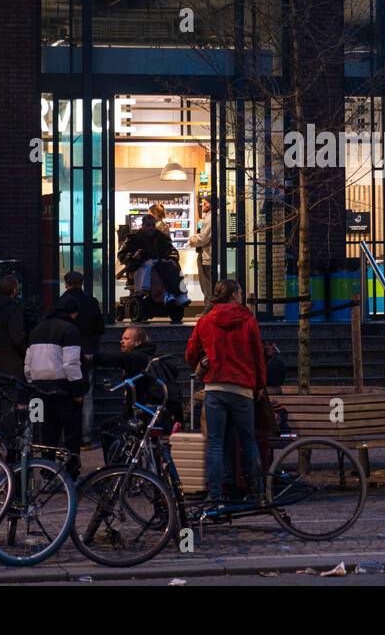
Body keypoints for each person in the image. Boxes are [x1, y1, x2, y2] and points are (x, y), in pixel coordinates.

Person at [184, 279, 267, 506]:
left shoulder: (205, 320)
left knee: (215, 444)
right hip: (242, 388)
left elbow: (190, 352)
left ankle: (216, 494)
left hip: (215, 388)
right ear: (234, 295)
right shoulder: (248, 320)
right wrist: (260, 384)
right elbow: (257, 355)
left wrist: (200, 365)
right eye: (239, 292)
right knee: (249, 441)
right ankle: (256, 492)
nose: (240, 296)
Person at [25, 294, 87, 478]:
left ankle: (47, 472)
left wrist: (31, 382)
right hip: (64, 388)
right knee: (72, 434)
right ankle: (71, 472)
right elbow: (71, 364)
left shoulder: (36, 330)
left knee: (47, 433)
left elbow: (28, 364)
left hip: (39, 389)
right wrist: (78, 390)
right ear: (72, 313)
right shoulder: (70, 330)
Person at [98, 325, 186, 428]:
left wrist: (90, 358)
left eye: (126, 339)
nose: (121, 342)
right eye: (122, 339)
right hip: (161, 410)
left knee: (107, 427)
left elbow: (114, 358)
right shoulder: (153, 359)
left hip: (144, 411)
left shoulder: (136, 357)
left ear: (138, 342)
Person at [61, 271, 104, 444]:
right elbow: (99, 329)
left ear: (66, 284)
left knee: (66, 395)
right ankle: (85, 437)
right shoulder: (91, 302)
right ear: (82, 283)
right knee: (87, 395)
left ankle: (67, 436)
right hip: (87, 352)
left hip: (65, 352)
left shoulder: (61, 302)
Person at [121, 214, 185, 306]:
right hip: (138, 266)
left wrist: (171, 258)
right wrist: (133, 256)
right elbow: (122, 254)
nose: (151, 228)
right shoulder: (133, 238)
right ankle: (162, 295)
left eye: (153, 225)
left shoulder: (162, 238)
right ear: (142, 225)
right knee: (153, 270)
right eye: (148, 225)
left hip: (159, 264)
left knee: (173, 266)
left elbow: (172, 251)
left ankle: (180, 293)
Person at [189, 196, 214, 304]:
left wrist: (193, 240)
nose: (203, 205)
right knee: (208, 282)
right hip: (209, 254)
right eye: (203, 203)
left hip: (207, 255)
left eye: (206, 203)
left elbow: (203, 238)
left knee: (206, 283)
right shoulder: (210, 217)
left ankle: (209, 308)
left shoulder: (209, 218)